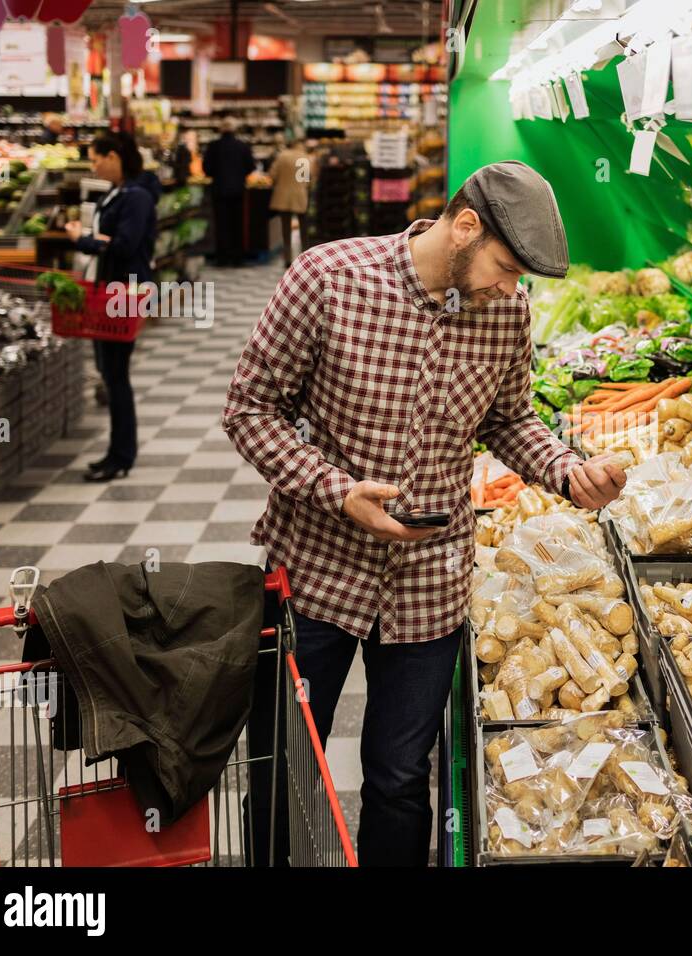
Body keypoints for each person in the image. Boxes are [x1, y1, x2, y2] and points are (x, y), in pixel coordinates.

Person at [224, 161, 626, 866]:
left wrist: (569, 470)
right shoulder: (328, 278)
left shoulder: (506, 311)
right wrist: (334, 488)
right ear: (465, 226)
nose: (509, 288)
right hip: (317, 572)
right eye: (504, 266)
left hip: (428, 586)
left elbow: (509, 421)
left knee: (402, 778)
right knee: (282, 760)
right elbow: (250, 410)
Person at [64, 132, 157, 483]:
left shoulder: (137, 196)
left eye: (96, 158)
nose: (94, 165)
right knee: (110, 372)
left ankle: (121, 456)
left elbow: (125, 245)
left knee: (116, 375)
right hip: (109, 289)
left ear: (115, 156)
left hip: (124, 293)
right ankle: (116, 452)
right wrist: (99, 242)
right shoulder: (118, 193)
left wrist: (84, 241)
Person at [203, 117, 254, 266]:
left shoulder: (213, 146)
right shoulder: (242, 146)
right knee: (237, 224)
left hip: (219, 189)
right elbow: (250, 167)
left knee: (221, 224)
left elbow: (206, 169)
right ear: (235, 129)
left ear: (221, 129)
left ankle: (222, 258)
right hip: (238, 190)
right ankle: (238, 258)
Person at [267, 137, 310, 267]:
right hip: (300, 196)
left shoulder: (282, 156)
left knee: (286, 229)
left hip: (283, 196)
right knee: (304, 229)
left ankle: (287, 258)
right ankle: (305, 256)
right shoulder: (303, 157)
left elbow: (272, 175)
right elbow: (306, 180)